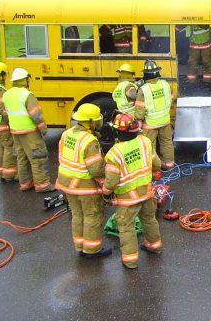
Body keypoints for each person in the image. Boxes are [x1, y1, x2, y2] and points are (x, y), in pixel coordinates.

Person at [102, 112, 163, 270]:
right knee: (149, 220)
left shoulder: (114, 153)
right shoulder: (145, 141)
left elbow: (111, 181)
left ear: (116, 132)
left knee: (126, 227)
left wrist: (105, 193)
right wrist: (154, 173)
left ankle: (130, 261)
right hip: (147, 192)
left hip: (128, 199)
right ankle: (154, 246)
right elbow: (156, 163)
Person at [55, 103, 111, 259]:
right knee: (92, 216)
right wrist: (106, 186)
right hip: (85, 187)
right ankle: (92, 250)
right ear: (91, 121)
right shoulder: (89, 141)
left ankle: (80, 247)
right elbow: (96, 170)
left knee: (77, 215)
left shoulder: (67, 133)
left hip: (67, 184)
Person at [2, 67, 54, 192]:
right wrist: (43, 129)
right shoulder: (27, 95)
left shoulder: (7, 94)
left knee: (22, 158)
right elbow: (36, 115)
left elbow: (4, 113)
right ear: (25, 80)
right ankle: (43, 185)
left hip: (15, 131)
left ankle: (25, 183)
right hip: (30, 132)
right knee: (38, 158)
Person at [135, 60, 175, 170]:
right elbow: (172, 97)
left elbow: (140, 108)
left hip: (150, 123)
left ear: (145, 75)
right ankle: (169, 164)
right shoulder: (165, 84)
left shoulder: (143, 89)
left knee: (149, 145)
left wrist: (138, 120)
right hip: (165, 120)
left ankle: (153, 167)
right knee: (167, 142)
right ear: (157, 73)